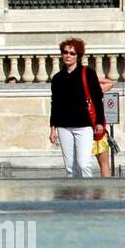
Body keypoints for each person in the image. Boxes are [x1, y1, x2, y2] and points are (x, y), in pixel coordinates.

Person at [48, 37, 107, 178]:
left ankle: (88, 194)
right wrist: (52, 129)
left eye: (72, 53)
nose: (68, 55)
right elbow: (55, 103)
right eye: (65, 52)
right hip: (63, 126)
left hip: (84, 124)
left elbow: (97, 99)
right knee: (70, 167)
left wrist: (99, 121)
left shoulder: (88, 73)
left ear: (78, 56)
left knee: (83, 163)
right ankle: (72, 196)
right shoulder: (57, 78)